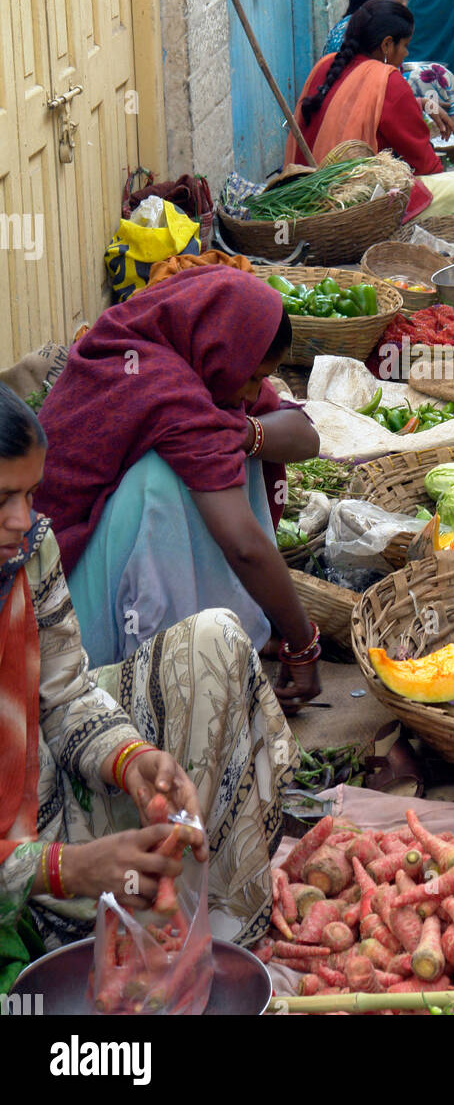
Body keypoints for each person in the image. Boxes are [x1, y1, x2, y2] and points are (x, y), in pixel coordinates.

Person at [0, 383, 298, 989]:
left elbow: (65, 693)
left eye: (30, 495)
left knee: (212, 641)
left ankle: (197, 938)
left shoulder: (27, 551)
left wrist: (131, 758)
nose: (21, 521)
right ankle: (84, 933)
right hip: (19, 869)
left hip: (45, 800)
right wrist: (66, 870)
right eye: (3, 498)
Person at [35, 270, 324, 710]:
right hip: (62, 612)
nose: (253, 391)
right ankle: (164, 681)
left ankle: (214, 640)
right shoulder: (161, 387)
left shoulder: (180, 345)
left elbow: (306, 437)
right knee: (170, 473)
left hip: (86, 566)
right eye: (253, 378)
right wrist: (303, 644)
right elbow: (243, 545)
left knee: (230, 443)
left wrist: (244, 431)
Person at [287, 0, 449, 187]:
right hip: (346, 198)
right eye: (405, 45)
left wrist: (421, 103)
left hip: (300, 189)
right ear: (387, 45)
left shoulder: (325, 65)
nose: (406, 54)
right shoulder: (388, 80)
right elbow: (426, 166)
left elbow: (361, 108)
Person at [323, 0, 454, 124]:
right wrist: (417, 103)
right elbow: (368, 92)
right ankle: (453, 134)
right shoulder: (366, 30)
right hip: (353, 115)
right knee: (435, 76)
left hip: (354, 107)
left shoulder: (346, 26)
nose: (405, 3)